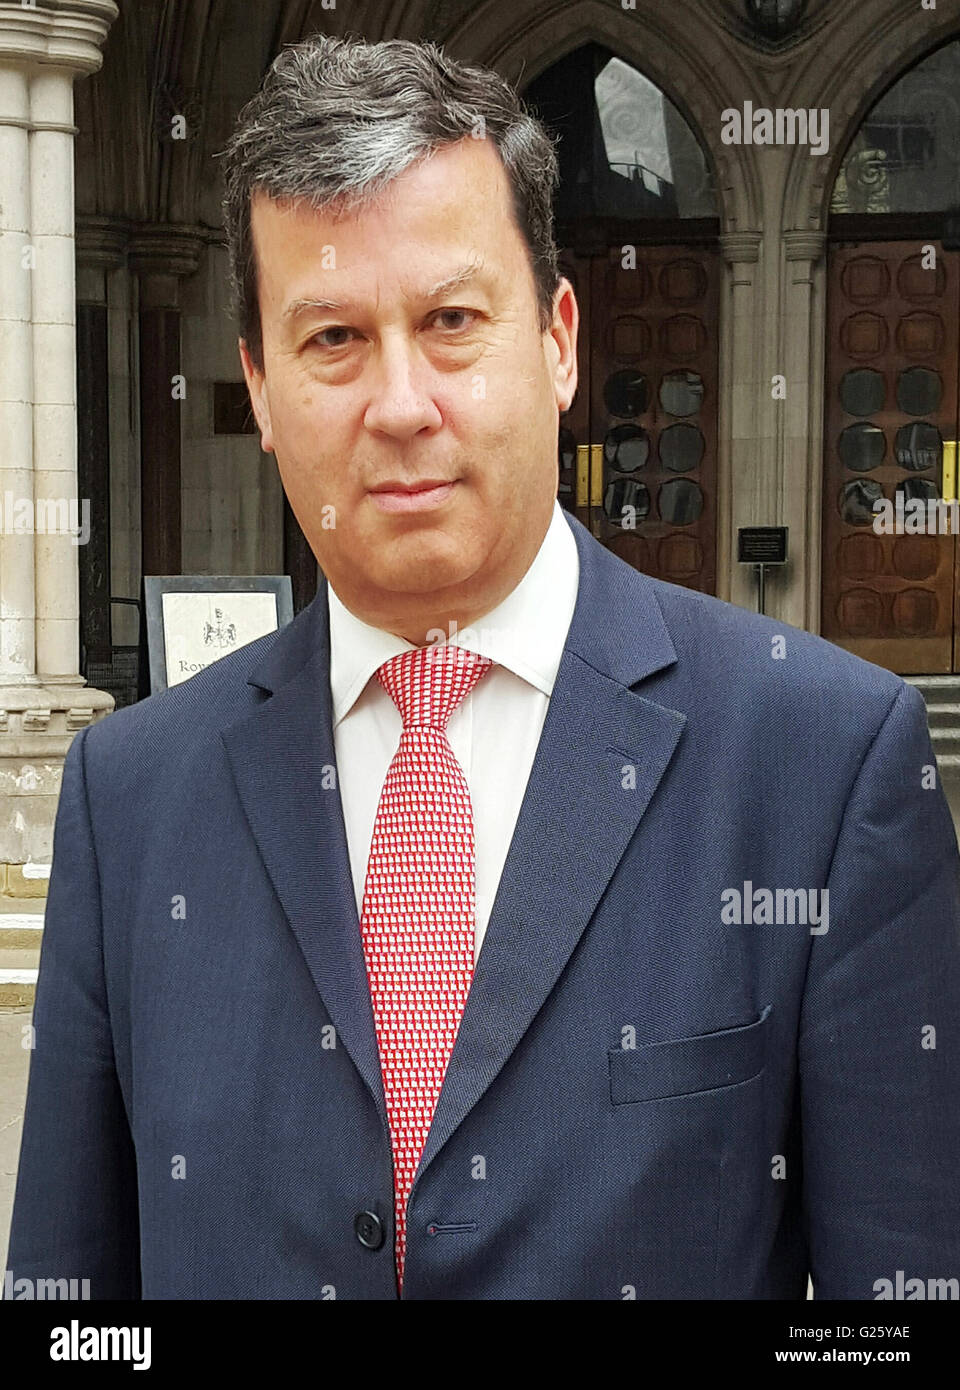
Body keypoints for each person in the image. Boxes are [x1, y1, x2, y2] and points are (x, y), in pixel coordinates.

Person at [7, 33, 960, 1301]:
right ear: (262, 382)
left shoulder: (825, 763)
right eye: (334, 338)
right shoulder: (128, 799)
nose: (400, 404)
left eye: (451, 321)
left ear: (558, 341)